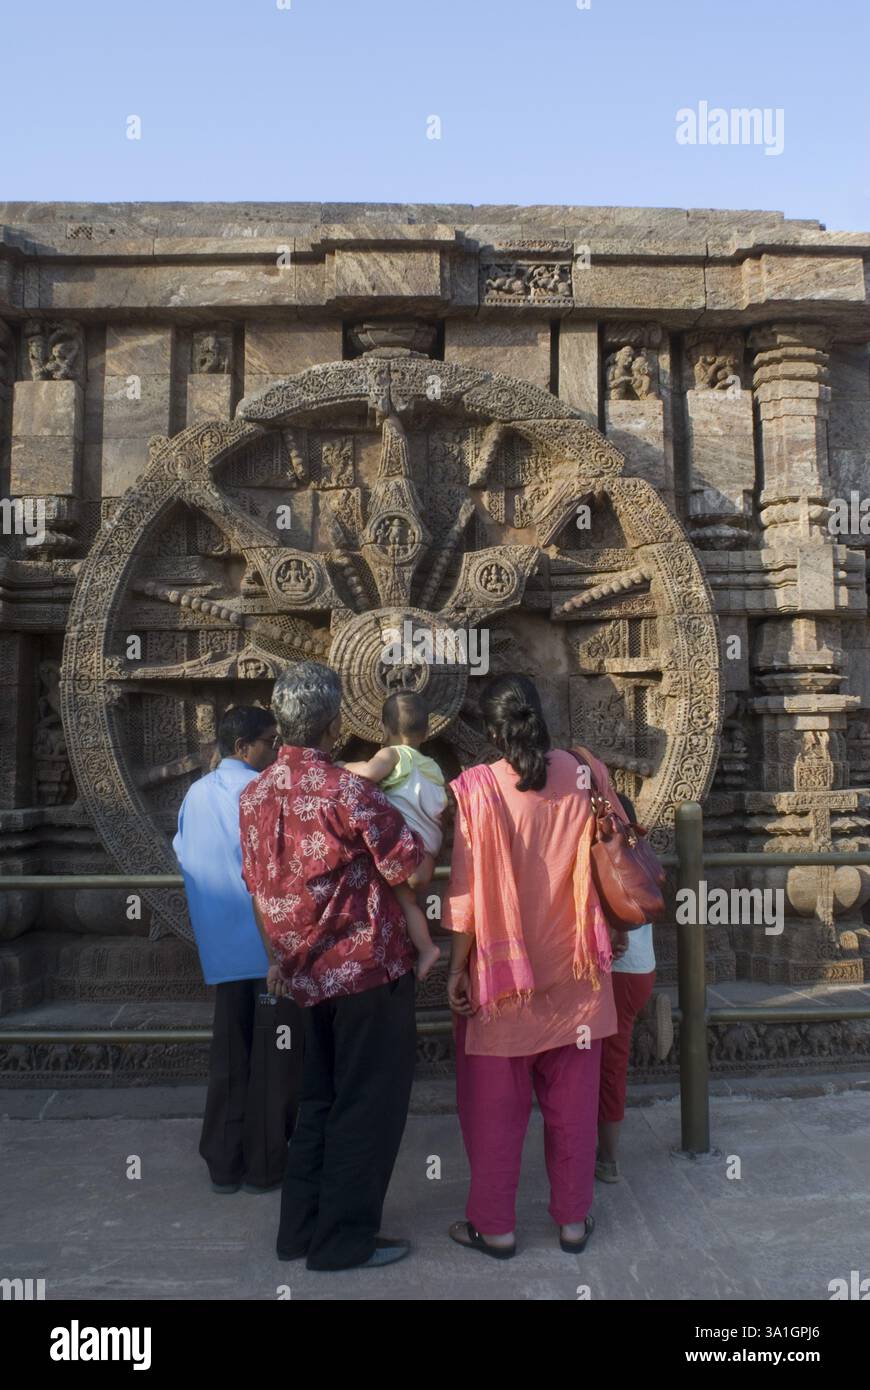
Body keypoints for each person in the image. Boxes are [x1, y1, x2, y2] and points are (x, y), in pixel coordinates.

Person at [238, 661, 435, 1271]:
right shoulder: (348, 792)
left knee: (318, 1101)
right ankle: (343, 1242)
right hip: (365, 973)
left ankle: (298, 1231)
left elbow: (256, 886)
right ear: (333, 725)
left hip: (301, 975)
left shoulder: (253, 795)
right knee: (366, 1108)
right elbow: (412, 869)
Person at [442, 674, 620, 1259]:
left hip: (502, 979)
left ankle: (496, 1228)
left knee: (494, 1114)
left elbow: (465, 900)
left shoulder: (475, 790)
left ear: (490, 731)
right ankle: (572, 1224)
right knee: (573, 1109)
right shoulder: (584, 772)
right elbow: (613, 849)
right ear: (538, 716)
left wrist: (456, 971)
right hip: (578, 972)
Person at [173, 705, 302, 1196]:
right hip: (270, 952)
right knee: (276, 1061)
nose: (275, 750)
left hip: (223, 953)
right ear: (244, 747)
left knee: (230, 1057)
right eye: (270, 741)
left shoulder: (196, 794)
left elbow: (185, 854)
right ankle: (266, 1166)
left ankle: (224, 1164)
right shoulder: (264, 793)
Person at [341, 691, 447, 980]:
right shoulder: (433, 766)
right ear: (426, 732)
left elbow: (366, 774)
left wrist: (341, 767)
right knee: (410, 900)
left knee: (405, 901)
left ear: (385, 729)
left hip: (409, 846)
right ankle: (423, 947)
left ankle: (426, 949)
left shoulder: (391, 754)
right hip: (430, 845)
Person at [596, 791, 667, 1183]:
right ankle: (602, 1153)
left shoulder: (602, 850)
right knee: (611, 1060)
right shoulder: (640, 852)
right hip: (640, 970)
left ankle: (605, 1156)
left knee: (600, 1064)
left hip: (615, 970)